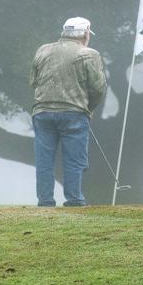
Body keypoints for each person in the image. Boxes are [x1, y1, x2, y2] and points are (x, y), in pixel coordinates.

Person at [29, 16, 108, 207]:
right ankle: (74, 200)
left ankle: (45, 201)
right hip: (74, 113)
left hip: (43, 112)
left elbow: (33, 81)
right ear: (86, 33)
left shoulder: (43, 49)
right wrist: (90, 108)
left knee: (44, 160)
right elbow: (98, 88)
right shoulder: (89, 54)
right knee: (74, 159)